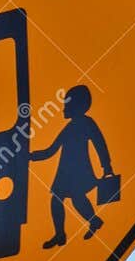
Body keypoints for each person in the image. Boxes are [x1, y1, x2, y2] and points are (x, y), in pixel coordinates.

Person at [30, 85, 115, 247]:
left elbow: (100, 144)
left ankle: (90, 222)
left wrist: (107, 166)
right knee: (63, 198)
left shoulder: (87, 123)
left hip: (79, 170)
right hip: (66, 171)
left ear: (77, 106)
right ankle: (64, 232)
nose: (63, 108)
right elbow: (51, 150)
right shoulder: (69, 128)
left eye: (67, 104)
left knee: (74, 197)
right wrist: (31, 156)